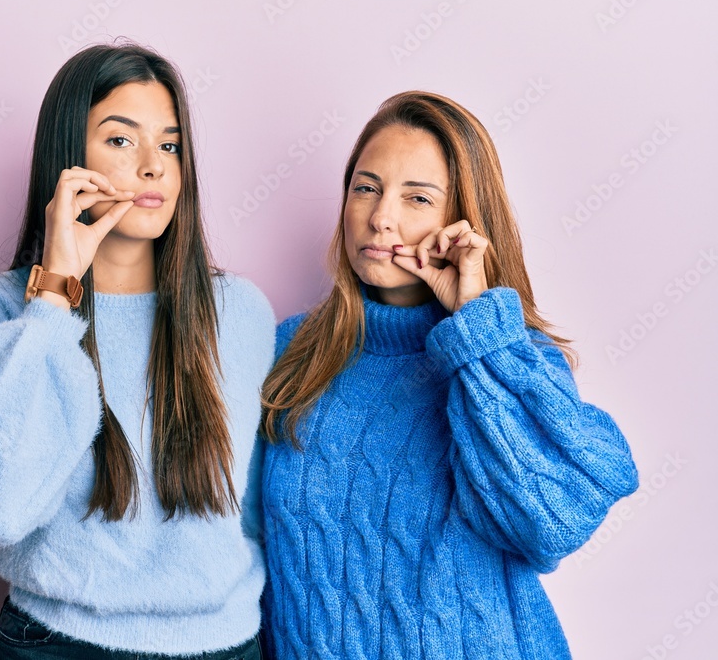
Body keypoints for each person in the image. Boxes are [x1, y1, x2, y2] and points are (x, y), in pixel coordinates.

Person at [259, 91, 639, 659]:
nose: (381, 216)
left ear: (461, 218)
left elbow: (551, 525)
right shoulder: (291, 351)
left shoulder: (508, 356)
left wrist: (475, 328)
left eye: (418, 198)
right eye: (366, 187)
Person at [0, 42, 273, 659]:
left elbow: (253, 515)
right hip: (56, 645)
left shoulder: (239, 313)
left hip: (224, 644)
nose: (153, 167)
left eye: (169, 144)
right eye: (120, 140)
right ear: (68, 157)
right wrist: (54, 294)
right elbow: (3, 511)